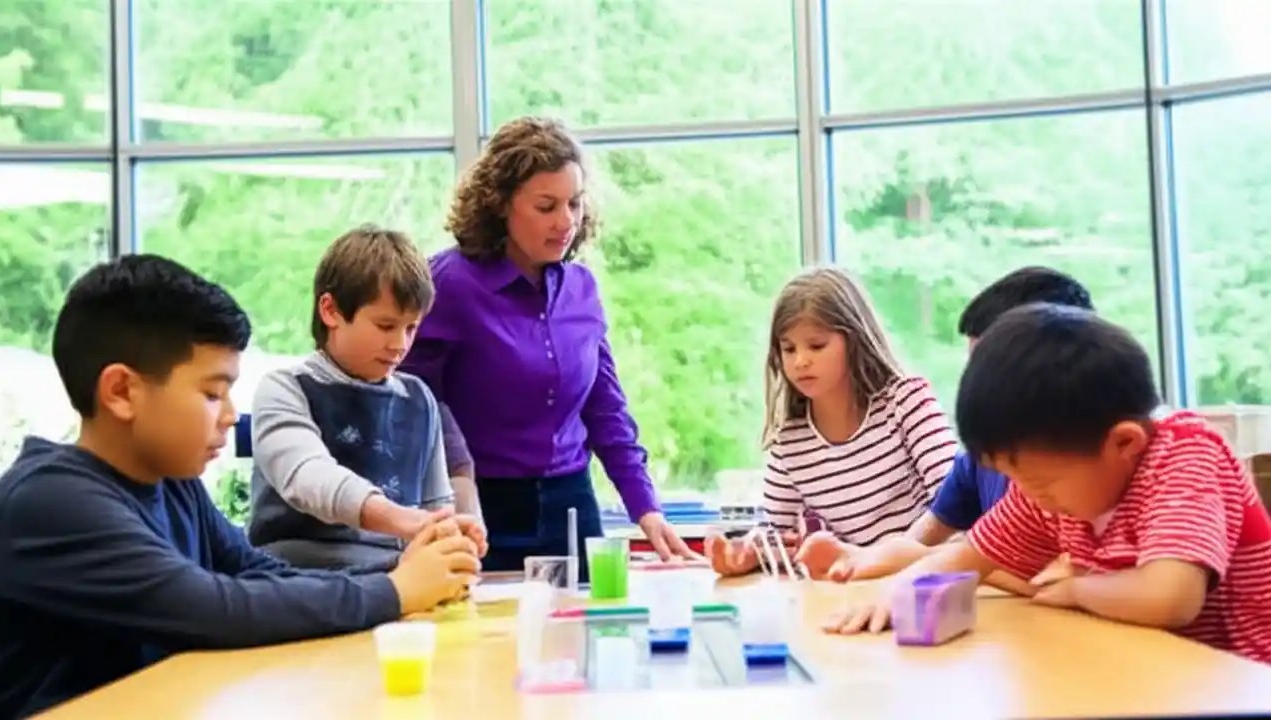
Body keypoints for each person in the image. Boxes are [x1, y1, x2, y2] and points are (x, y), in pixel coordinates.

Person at [0, 255, 482, 719]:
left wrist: (403, 586)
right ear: (121, 392)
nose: (229, 417)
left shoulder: (171, 483)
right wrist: (395, 591)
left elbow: (254, 571)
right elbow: (209, 607)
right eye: (211, 393)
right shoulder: (50, 502)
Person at [823, 304, 1271, 665]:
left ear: (1123, 444)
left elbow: (1170, 596)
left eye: (1043, 484)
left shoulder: (1186, 454)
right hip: (1155, 669)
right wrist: (893, 594)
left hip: (1242, 680)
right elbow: (965, 557)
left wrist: (1078, 588)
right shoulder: (1054, 488)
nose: (1033, 498)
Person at [399, 116, 693, 575]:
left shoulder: (581, 288)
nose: (566, 222)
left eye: (574, 204)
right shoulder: (447, 285)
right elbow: (415, 403)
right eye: (546, 206)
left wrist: (646, 510)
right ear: (500, 205)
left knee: (578, 639)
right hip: (478, 511)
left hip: (571, 506)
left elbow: (606, 411)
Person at [797, 267, 1095, 588]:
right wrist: (860, 557)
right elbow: (923, 542)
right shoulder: (980, 458)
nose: (976, 381)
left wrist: (916, 559)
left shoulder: (1071, 466)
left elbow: (1046, 579)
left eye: (988, 365)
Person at [248, 226, 486, 569]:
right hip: (300, 579)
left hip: (397, 576)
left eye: (411, 328)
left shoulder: (419, 398)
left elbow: (436, 506)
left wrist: (452, 535)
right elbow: (309, 478)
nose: (400, 345)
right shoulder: (285, 388)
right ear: (330, 311)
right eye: (385, 326)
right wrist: (404, 520)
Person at [706, 266, 958, 577]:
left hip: (928, 578)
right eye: (788, 348)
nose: (801, 361)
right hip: (858, 586)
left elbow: (957, 502)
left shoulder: (906, 403)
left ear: (854, 341)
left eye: (816, 345)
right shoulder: (791, 440)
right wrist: (747, 555)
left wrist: (889, 558)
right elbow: (776, 532)